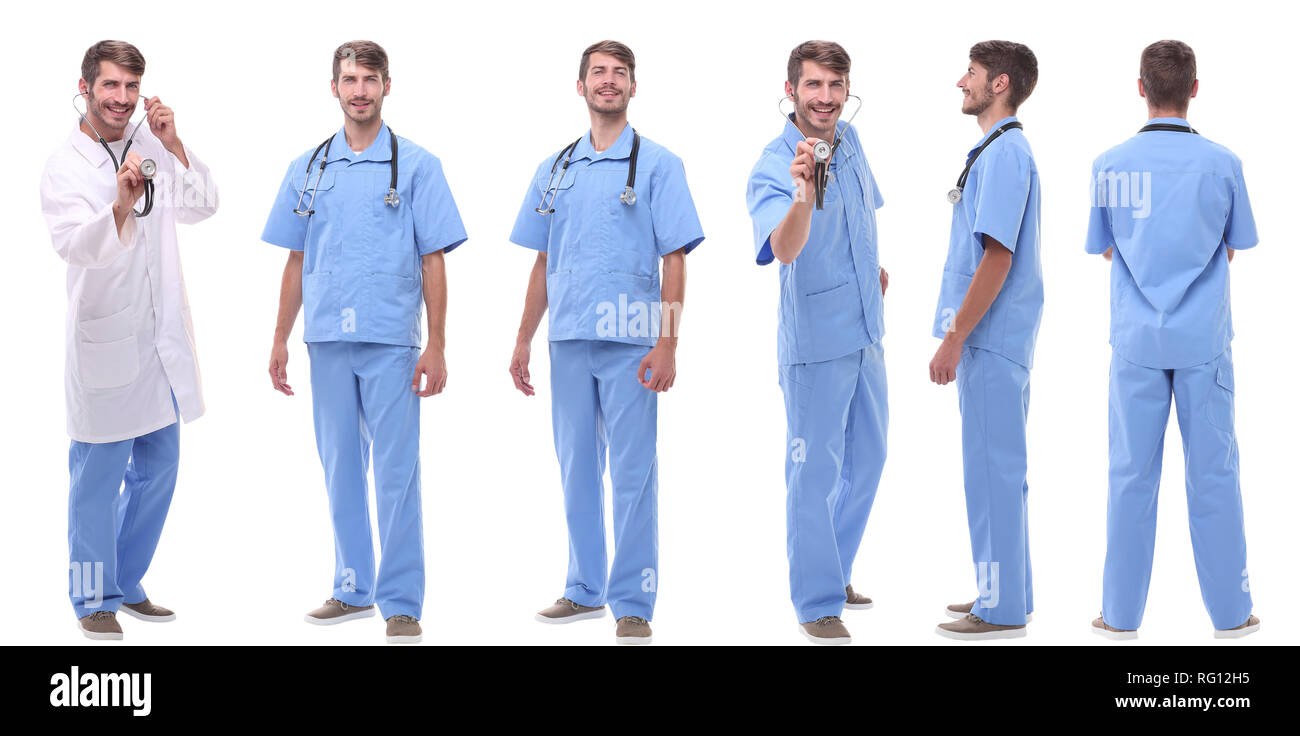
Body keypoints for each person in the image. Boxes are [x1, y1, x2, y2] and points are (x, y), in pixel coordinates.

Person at [262, 40, 467, 645]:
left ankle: (401, 601)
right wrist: (278, 337)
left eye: (369, 79)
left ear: (385, 86)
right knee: (340, 468)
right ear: (334, 88)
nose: (359, 90)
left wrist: (438, 343)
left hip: (389, 340)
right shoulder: (309, 167)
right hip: (325, 337)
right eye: (349, 79)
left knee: (396, 472)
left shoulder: (418, 166)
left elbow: (434, 259)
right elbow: (296, 259)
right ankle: (352, 587)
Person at [509, 40, 703, 646]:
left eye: (620, 73)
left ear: (633, 87)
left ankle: (634, 600)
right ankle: (583, 587)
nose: (609, 81)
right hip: (567, 337)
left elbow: (675, 257)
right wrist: (522, 340)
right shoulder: (555, 168)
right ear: (581, 85)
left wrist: (667, 343)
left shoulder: (660, 164)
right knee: (575, 469)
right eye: (599, 72)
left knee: (632, 473)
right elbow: (543, 261)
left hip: (632, 343)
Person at [41, 40, 219, 641]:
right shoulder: (64, 165)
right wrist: (118, 205)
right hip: (105, 345)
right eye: (111, 86)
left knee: (160, 468)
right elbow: (73, 246)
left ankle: (127, 579)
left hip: (157, 343)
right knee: (96, 482)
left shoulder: (151, 147)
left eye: (131, 88)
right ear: (87, 86)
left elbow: (204, 207)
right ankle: (93, 595)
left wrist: (174, 146)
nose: (122, 99)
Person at [1085, 40, 1259, 640]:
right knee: (1213, 473)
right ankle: (1233, 615)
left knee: (1130, 476)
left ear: (1141, 88)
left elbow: (1106, 247)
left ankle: (1120, 615)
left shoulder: (1109, 164)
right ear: (1194, 87)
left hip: (1136, 341)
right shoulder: (1224, 163)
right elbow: (1233, 246)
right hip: (1202, 341)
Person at [745, 41, 889, 646]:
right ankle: (816, 600)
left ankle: (837, 569)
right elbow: (783, 247)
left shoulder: (850, 144)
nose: (825, 98)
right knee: (813, 473)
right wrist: (802, 193)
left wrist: (872, 270)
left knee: (870, 459)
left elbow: (865, 213)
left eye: (835, 85)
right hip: (815, 343)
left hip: (865, 330)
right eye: (813, 86)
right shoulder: (773, 163)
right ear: (791, 90)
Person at [930, 41, 1042, 641]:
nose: (960, 83)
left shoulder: (1005, 156)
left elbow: (996, 257)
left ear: (999, 83)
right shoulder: (998, 151)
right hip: (997, 339)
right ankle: (1010, 594)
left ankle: (997, 609)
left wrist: (953, 339)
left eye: (970, 73)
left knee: (992, 472)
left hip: (989, 338)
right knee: (1003, 470)